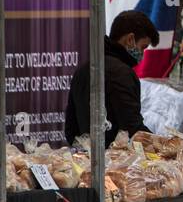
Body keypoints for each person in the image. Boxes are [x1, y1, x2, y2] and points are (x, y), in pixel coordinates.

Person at [64, 9, 158, 146]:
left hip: (83, 160)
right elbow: (133, 129)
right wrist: (160, 143)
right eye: (143, 47)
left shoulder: (82, 70)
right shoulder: (123, 74)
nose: (142, 54)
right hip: (115, 163)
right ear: (130, 39)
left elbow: (70, 129)